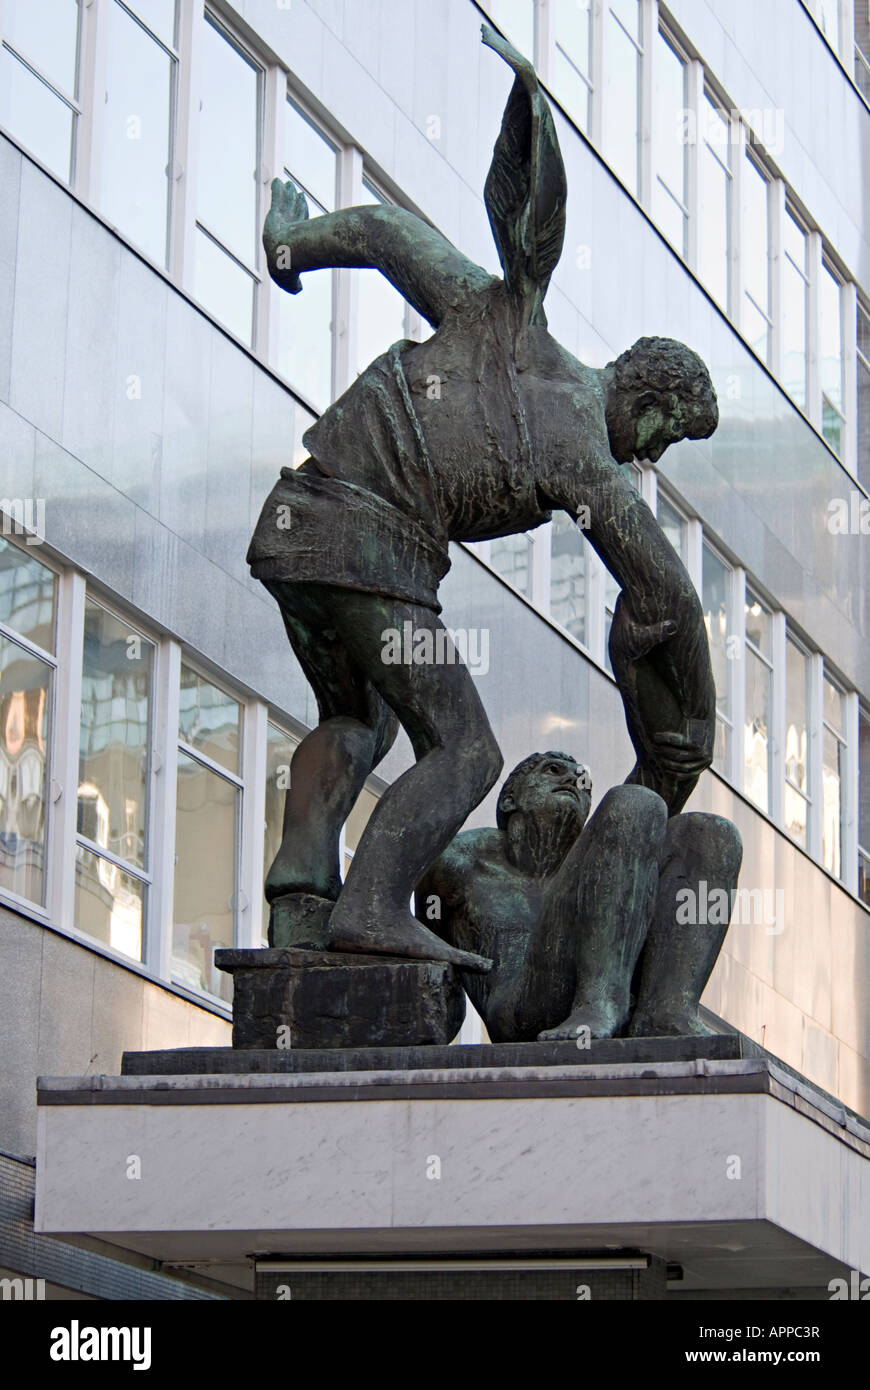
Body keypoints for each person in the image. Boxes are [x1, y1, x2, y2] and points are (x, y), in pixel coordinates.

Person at [248, 25, 718, 973]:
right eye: (667, 434)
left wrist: (293, 245)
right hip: (366, 537)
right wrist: (687, 735)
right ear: (649, 398)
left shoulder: (501, 309)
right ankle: (372, 905)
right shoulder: (585, 456)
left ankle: (302, 905)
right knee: (464, 749)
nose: (655, 456)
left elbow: (385, 236)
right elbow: (667, 596)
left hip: (296, 524)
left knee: (359, 721)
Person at [416, 752, 743, 1041]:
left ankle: (668, 1012)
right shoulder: (460, 860)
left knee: (711, 834)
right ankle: (599, 1001)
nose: (575, 779)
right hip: (521, 1008)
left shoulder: (600, 866)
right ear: (509, 800)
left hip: (586, 979)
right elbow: (421, 936)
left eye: (583, 782)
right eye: (553, 771)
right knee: (634, 802)